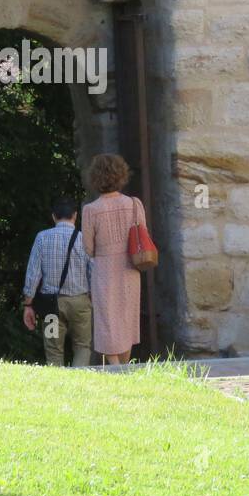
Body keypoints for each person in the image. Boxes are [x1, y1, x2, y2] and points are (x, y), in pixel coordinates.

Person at [81, 154, 148, 365]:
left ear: (95, 178)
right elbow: (143, 236)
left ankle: (115, 367)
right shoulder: (135, 204)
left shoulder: (90, 210)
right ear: (121, 175)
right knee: (127, 317)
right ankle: (124, 367)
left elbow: (88, 248)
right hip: (129, 268)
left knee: (107, 319)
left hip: (104, 270)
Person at [21, 198, 93, 367]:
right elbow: (94, 272)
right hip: (80, 304)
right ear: (75, 216)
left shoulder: (42, 238)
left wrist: (28, 305)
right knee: (83, 346)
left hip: (50, 306)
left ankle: (58, 385)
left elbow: (33, 275)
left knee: (53, 348)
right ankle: (79, 382)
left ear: (53, 217)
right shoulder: (84, 240)